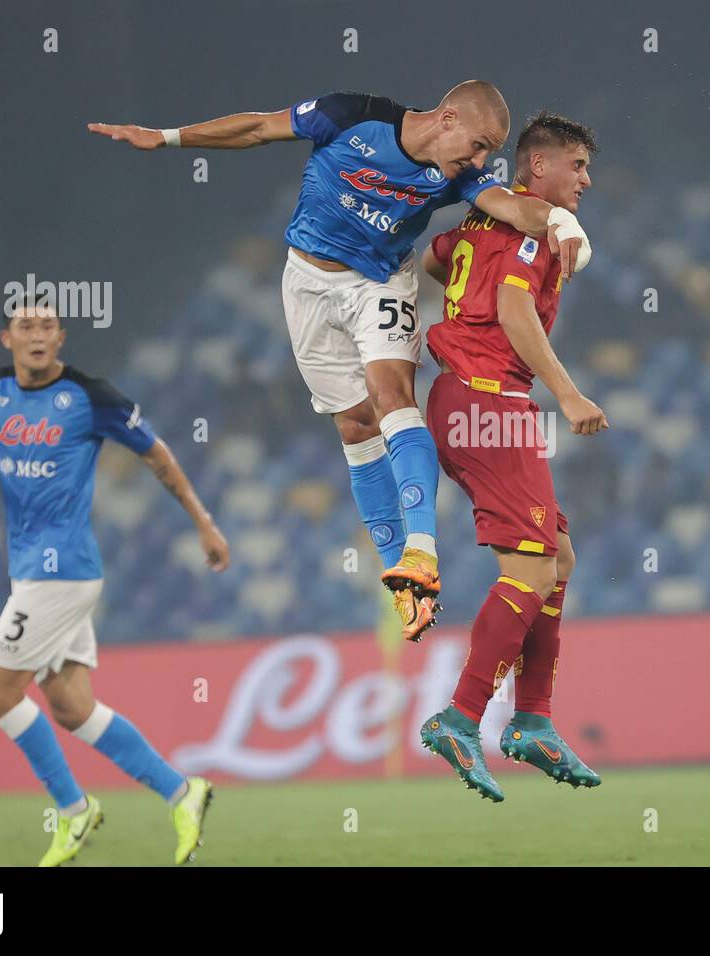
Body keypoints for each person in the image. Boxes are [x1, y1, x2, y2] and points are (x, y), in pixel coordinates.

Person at [88, 81, 592, 641]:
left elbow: (514, 206)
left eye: (486, 152)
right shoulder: (353, 116)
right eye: (476, 145)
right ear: (447, 118)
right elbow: (259, 126)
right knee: (355, 426)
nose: (479, 161)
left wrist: (560, 221)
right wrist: (166, 138)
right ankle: (400, 574)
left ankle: (421, 553)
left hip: (379, 284)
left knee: (392, 395)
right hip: (306, 284)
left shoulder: (462, 176)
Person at [0, 301, 229, 865]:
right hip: (31, 571)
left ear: (60, 338)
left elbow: (157, 455)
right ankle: (183, 793)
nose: (36, 336)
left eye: (46, 327)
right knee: (70, 705)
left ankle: (73, 809)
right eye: (25, 327)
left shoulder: (91, 396)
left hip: (61, 572)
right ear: (6, 338)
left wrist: (203, 522)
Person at [417, 112, 606, 801]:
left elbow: (438, 263)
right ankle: (462, 716)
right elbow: (514, 309)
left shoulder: (478, 227)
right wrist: (570, 393)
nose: (586, 179)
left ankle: (531, 720)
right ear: (537, 168)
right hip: (488, 402)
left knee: (558, 557)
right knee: (531, 567)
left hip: (470, 400)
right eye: (576, 165)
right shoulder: (535, 224)